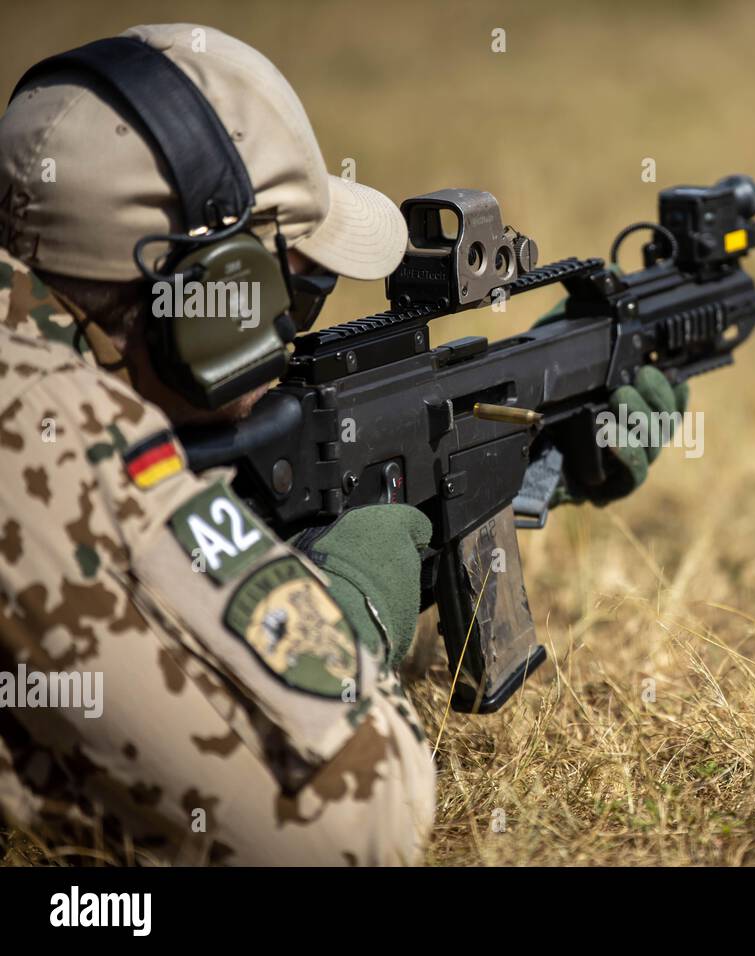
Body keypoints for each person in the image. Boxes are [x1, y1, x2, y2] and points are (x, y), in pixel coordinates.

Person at [0, 23, 685, 865]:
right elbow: (353, 819)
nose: (295, 340)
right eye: (303, 286)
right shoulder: (48, 445)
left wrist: (533, 456)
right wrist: (344, 607)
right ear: (216, 299)